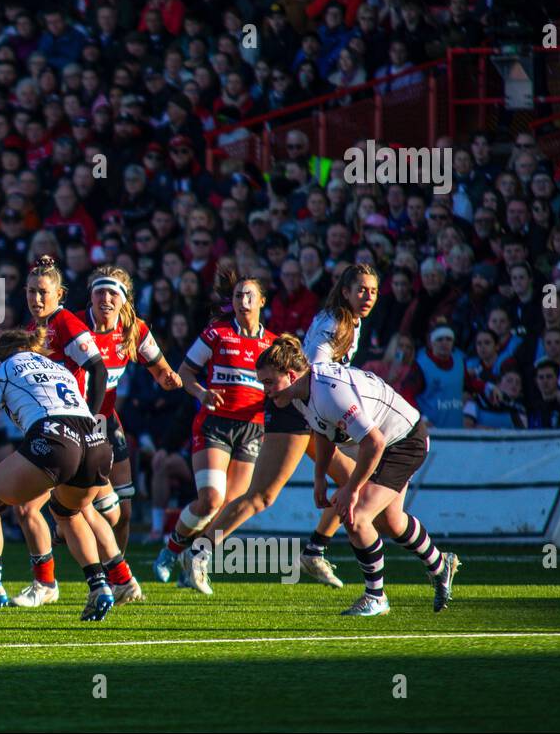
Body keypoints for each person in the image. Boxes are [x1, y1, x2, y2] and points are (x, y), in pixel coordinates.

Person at [162, 263, 382, 594]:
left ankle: (315, 550)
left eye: (374, 291)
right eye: (361, 289)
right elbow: (315, 367)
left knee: (355, 483)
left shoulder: (350, 321)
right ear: (346, 291)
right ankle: (197, 554)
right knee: (261, 497)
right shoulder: (333, 322)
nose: (368, 296)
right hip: (299, 408)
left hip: (316, 409)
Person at [259, 335, 460, 616]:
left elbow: (374, 442)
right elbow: (324, 430)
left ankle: (376, 596)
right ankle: (441, 565)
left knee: (356, 515)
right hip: (384, 443)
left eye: (269, 382)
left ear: (290, 374)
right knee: (390, 521)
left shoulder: (328, 391)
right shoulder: (299, 392)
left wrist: (352, 488)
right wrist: (320, 477)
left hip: (403, 441)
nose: (265, 390)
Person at [0, 327, 117, 621]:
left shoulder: (2, 370)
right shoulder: (60, 370)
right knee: (69, 513)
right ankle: (100, 587)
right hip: (97, 442)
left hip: (56, 439)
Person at [153, 269, 276, 594]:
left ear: (262, 301)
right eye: (238, 296)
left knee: (229, 508)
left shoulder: (273, 344)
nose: (243, 301)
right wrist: (201, 393)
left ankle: (195, 563)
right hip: (215, 425)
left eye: (250, 295)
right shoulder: (217, 333)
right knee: (210, 500)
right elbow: (185, 371)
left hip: (253, 430)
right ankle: (171, 550)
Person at [83, 265, 183, 551]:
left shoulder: (134, 330)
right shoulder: (74, 325)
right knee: (92, 507)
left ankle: (118, 575)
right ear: (90, 295)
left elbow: (163, 372)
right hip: (76, 422)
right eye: (99, 291)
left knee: (123, 511)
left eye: (113, 293)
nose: (106, 298)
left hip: (107, 421)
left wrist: (171, 379)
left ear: (123, 299)